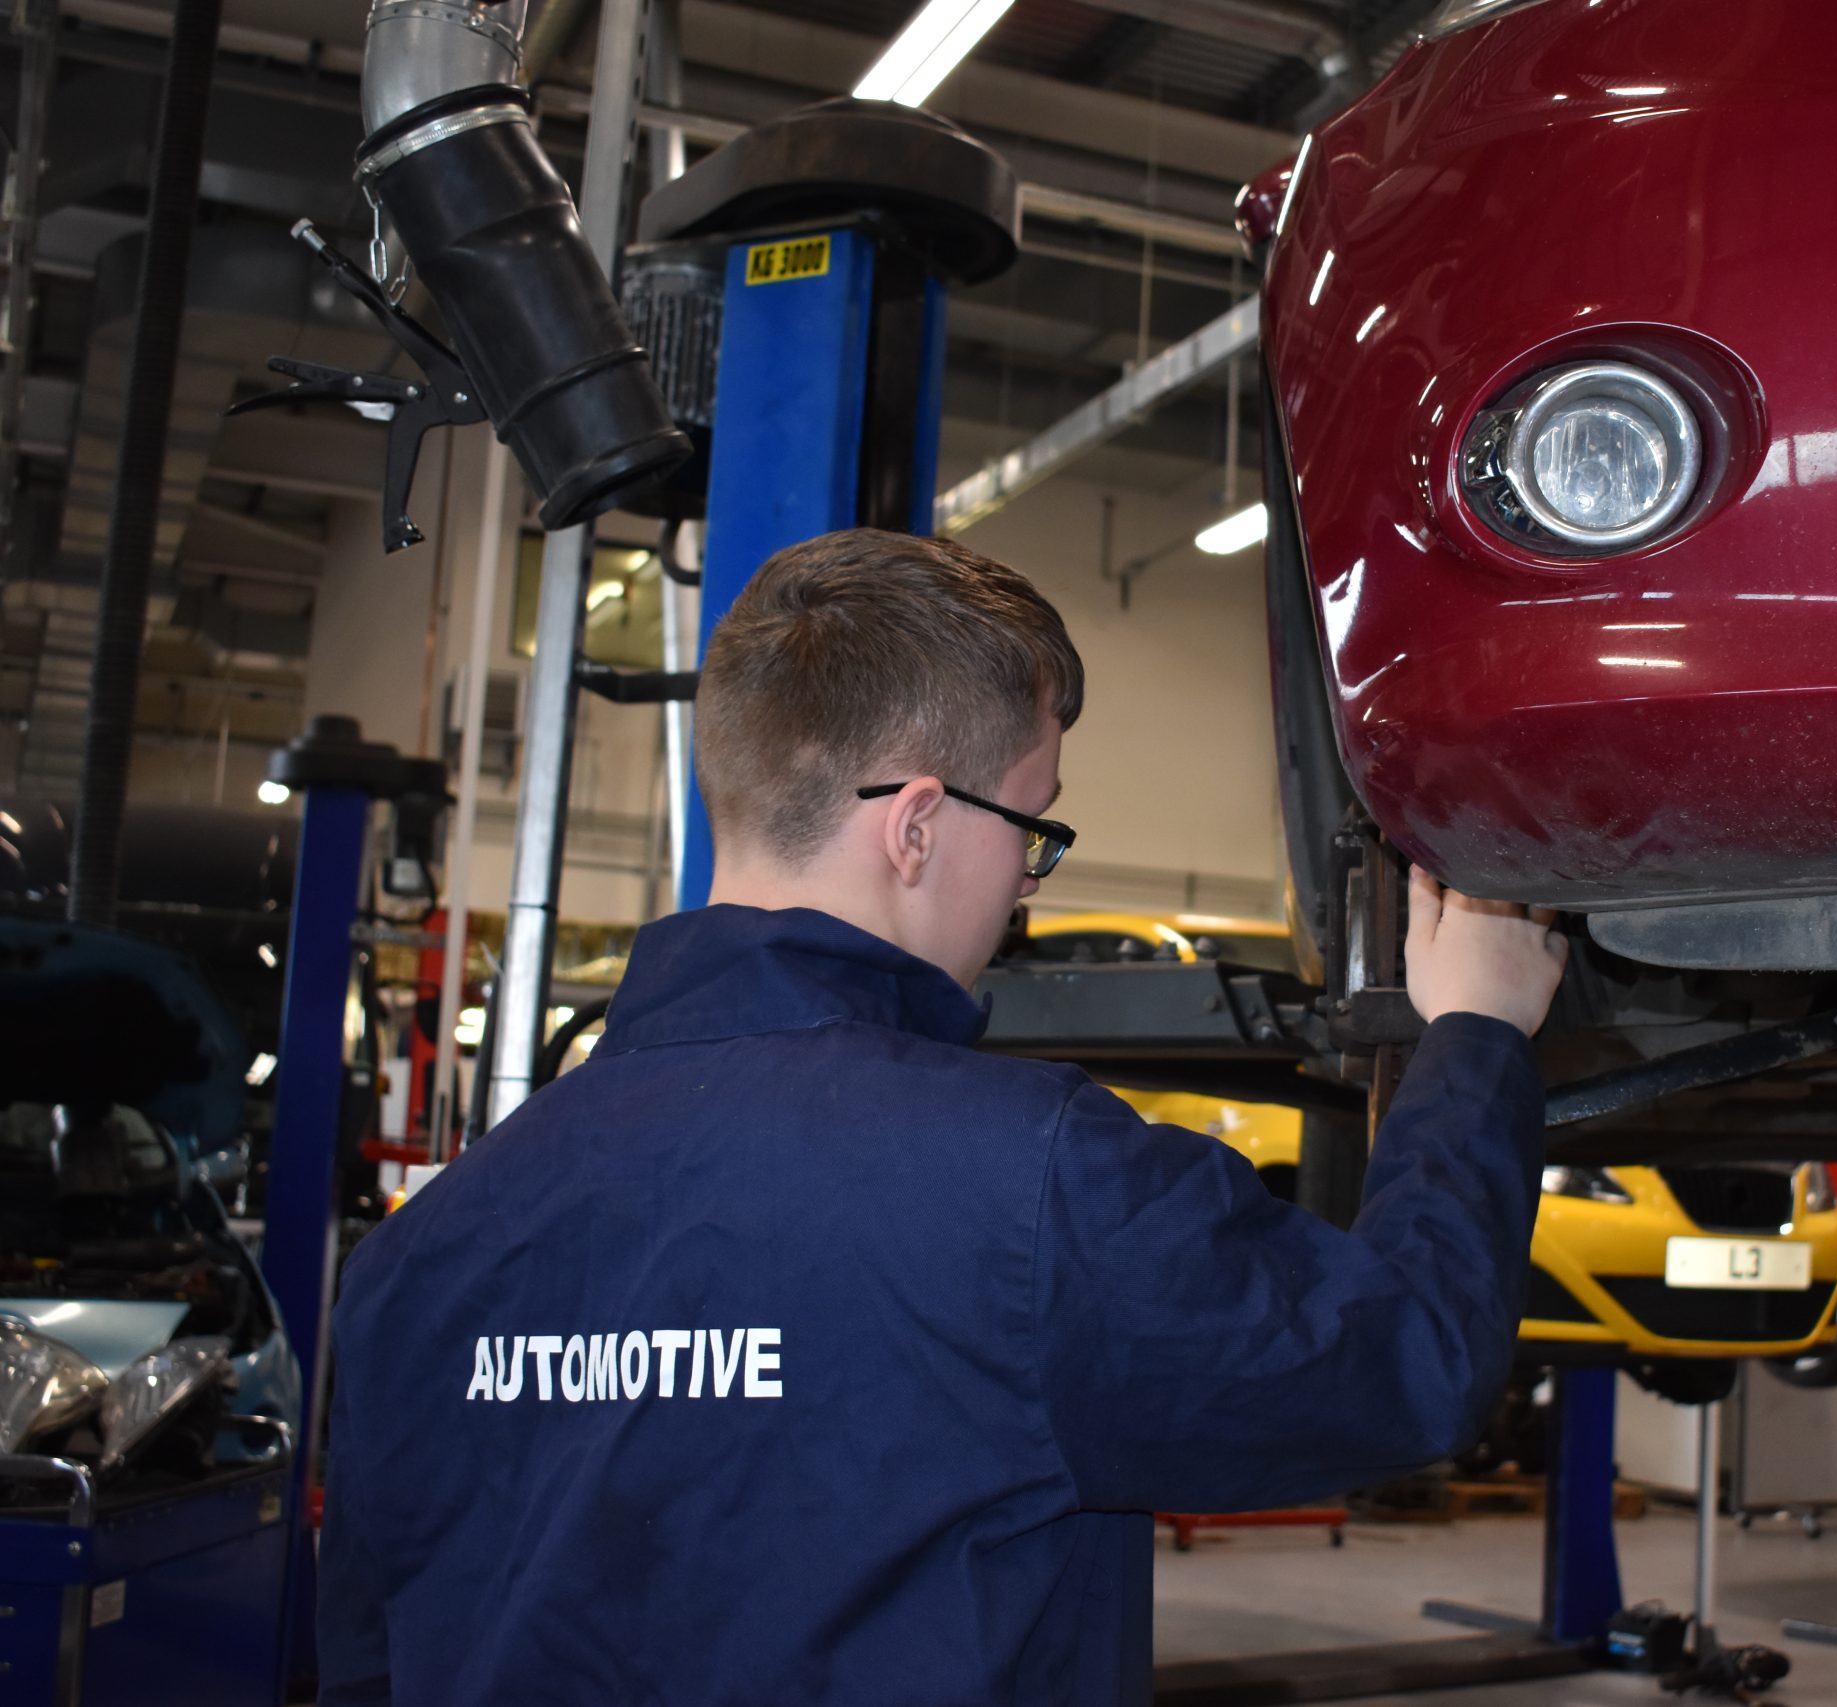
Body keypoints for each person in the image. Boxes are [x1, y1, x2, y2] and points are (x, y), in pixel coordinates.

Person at [317, 528, 1567, 1704]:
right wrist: (1474, 1038)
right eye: (1034, 827)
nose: (1026, 884)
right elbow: (1404, 1366)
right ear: (916, 825)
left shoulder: (423, 1252)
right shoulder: (1033, 1180)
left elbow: (367, 1662)